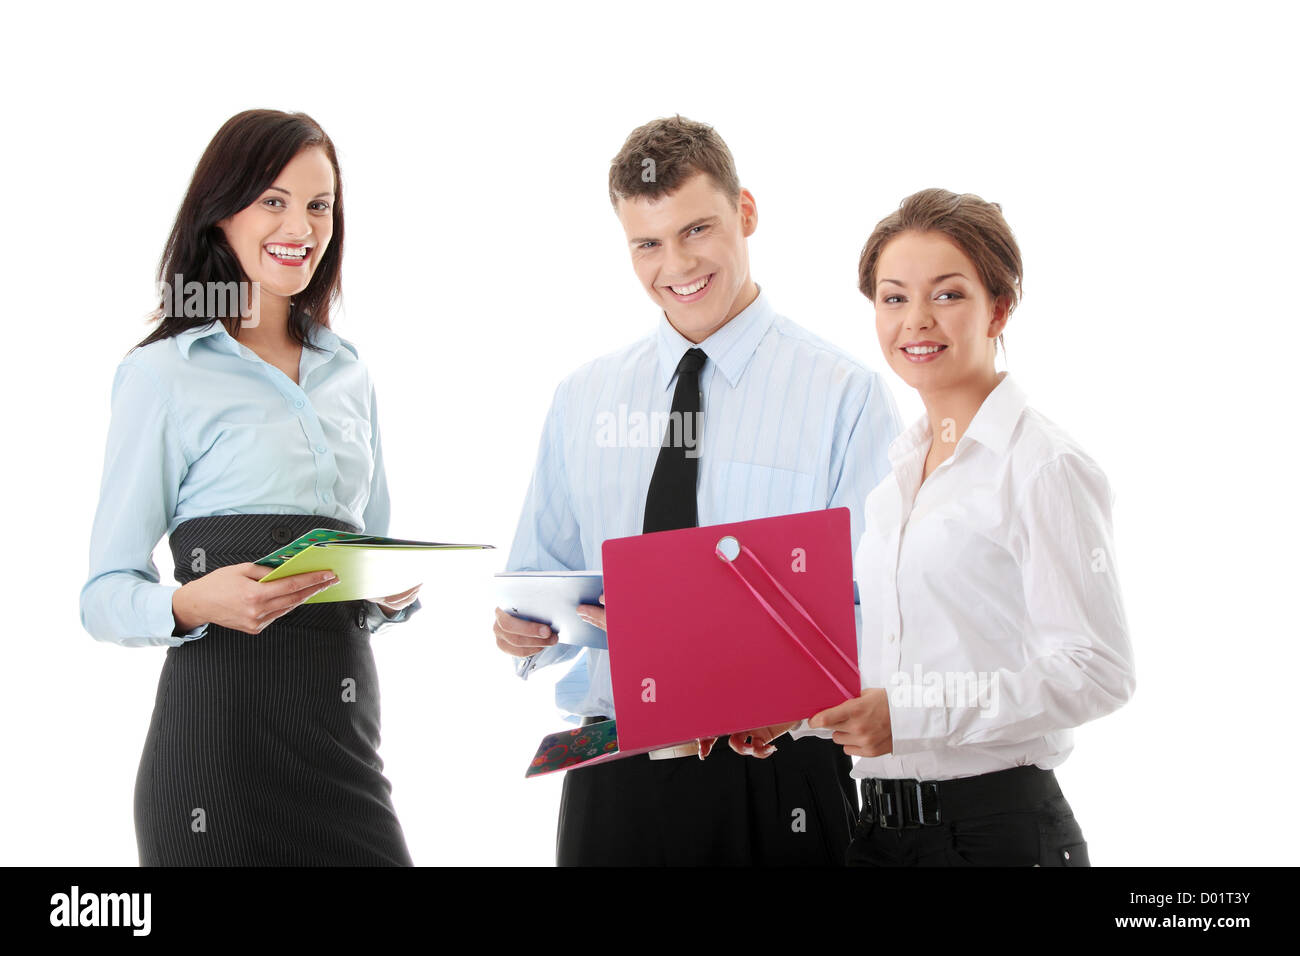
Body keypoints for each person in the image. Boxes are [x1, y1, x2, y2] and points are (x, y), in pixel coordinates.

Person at [492, 115, 902, 866]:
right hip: (611, 773)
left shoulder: (843, 394)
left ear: (746, 214)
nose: (674, 264)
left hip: (775, 774)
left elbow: (877, 612)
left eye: (696, 230)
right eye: (646, 243)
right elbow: (541, 573)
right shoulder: (583, 397)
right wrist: (522, 632)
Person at [731, 188, 1136, 866]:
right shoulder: (897, 477)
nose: (916, 320)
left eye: (947, 295)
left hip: (993, 835)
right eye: (893, 298)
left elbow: (1099, 670)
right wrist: (799, 714)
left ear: (998, 308)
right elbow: (908, 658)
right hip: (880, 835)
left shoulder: (1042, 466)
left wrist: (910, 717)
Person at [80, 109, 422, 866]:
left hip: (344, 745)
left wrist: (393, 588)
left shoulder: (350, 370)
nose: (299, 224)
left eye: (318, 204)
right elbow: (103, 592)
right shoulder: (164, 374)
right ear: (221, 211)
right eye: (273, 200)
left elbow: (379, 551)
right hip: (217, 764)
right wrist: (186, 602)